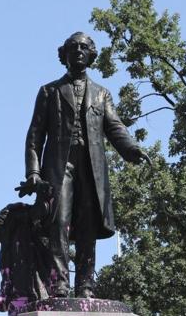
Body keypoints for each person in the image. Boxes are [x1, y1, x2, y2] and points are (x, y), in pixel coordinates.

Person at [22, 32, 147, 298]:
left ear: (91, 55)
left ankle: (86, 286)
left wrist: (131, 149)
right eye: (73, 47)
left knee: (87, 225)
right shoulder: (49, 91)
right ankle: (59, 284)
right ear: (64, 55)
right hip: (59, 168)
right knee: (59, 223)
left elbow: (114, 127)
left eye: (84, 47)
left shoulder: (102, 94)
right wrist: (33, 172)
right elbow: (34, 137)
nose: (78, 50)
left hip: (91, 168)